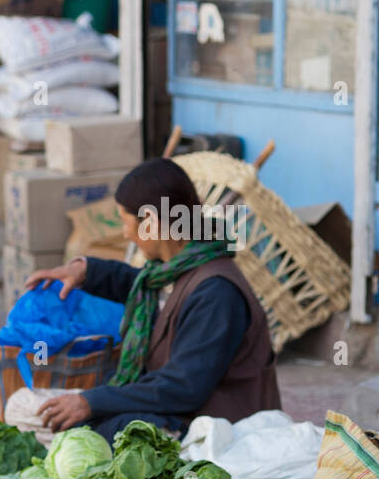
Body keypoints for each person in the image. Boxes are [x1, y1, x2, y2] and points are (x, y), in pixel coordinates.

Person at [27, 157, 281, 442]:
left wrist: (92, 401)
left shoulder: (217, 293)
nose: (125, 234)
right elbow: (141, 286)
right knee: (37, 412)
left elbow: (183, 386)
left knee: (100, 432)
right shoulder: (175, 268)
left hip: (219, 428)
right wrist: (87, 271)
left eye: (125, 222)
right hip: (182, 410)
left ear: (150, 222)